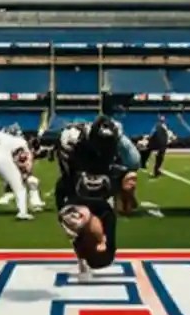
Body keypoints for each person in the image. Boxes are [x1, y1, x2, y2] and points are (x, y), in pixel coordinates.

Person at [56, 116, 133, 277]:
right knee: (78, 217)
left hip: (99, 191)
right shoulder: (72, 142)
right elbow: (66, 180)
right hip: (78, 192)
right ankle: (84, 250)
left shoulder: (117, 145)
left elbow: (132, 164)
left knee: (105, 253)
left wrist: (124, 190)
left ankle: (92, 245)